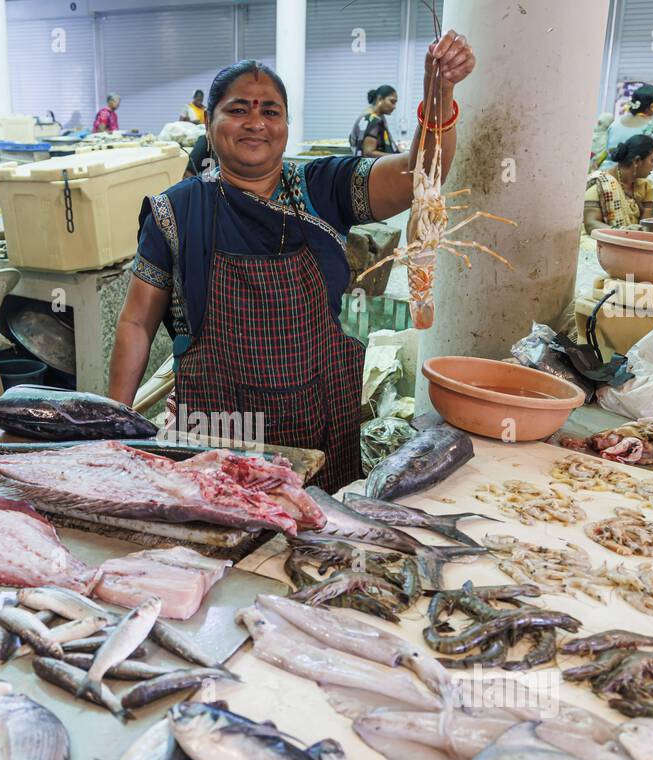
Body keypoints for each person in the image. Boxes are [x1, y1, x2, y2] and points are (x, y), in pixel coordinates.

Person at [110, 34, 476, 492]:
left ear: (285, 124)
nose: (255, 123)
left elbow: (420, 173)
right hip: (218, 423)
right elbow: (137, 323)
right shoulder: (176, 212)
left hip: (317, 415)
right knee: (223, 528)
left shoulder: (323, 188)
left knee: (313, 539)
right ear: (210, 125)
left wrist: (439, 94)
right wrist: (112, 426)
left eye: (270, 111)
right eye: (238, 109)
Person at [584, 134, 653, 233]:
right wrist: (621, 231)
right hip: (602, 239)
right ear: (637, 161)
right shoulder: (601, 183)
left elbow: (647, 224)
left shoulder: (645, 186)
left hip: (631, 239)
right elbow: (591, 223)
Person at [603, 85, 653, 166]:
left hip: (607, 173)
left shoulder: (615, 123)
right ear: (652, 106)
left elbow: (607, 151)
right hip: (635, 176)